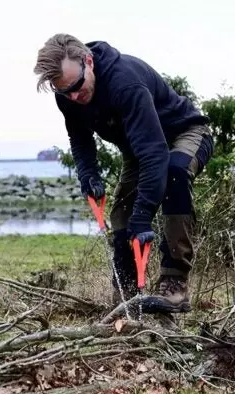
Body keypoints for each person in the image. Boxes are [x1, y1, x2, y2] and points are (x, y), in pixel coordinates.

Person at [33, 33, 214, 319]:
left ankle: (174, 284)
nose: (75, 97)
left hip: (184, 133)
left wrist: (143, 217)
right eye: (65, 92)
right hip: (138, 146)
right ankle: (126, 298)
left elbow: (156, 155)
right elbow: (80, 140)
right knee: (122, 216)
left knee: (174, 173)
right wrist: (88, 175)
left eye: (78, 86)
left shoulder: (124, 82)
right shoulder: (68, 95)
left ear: (88, 62)